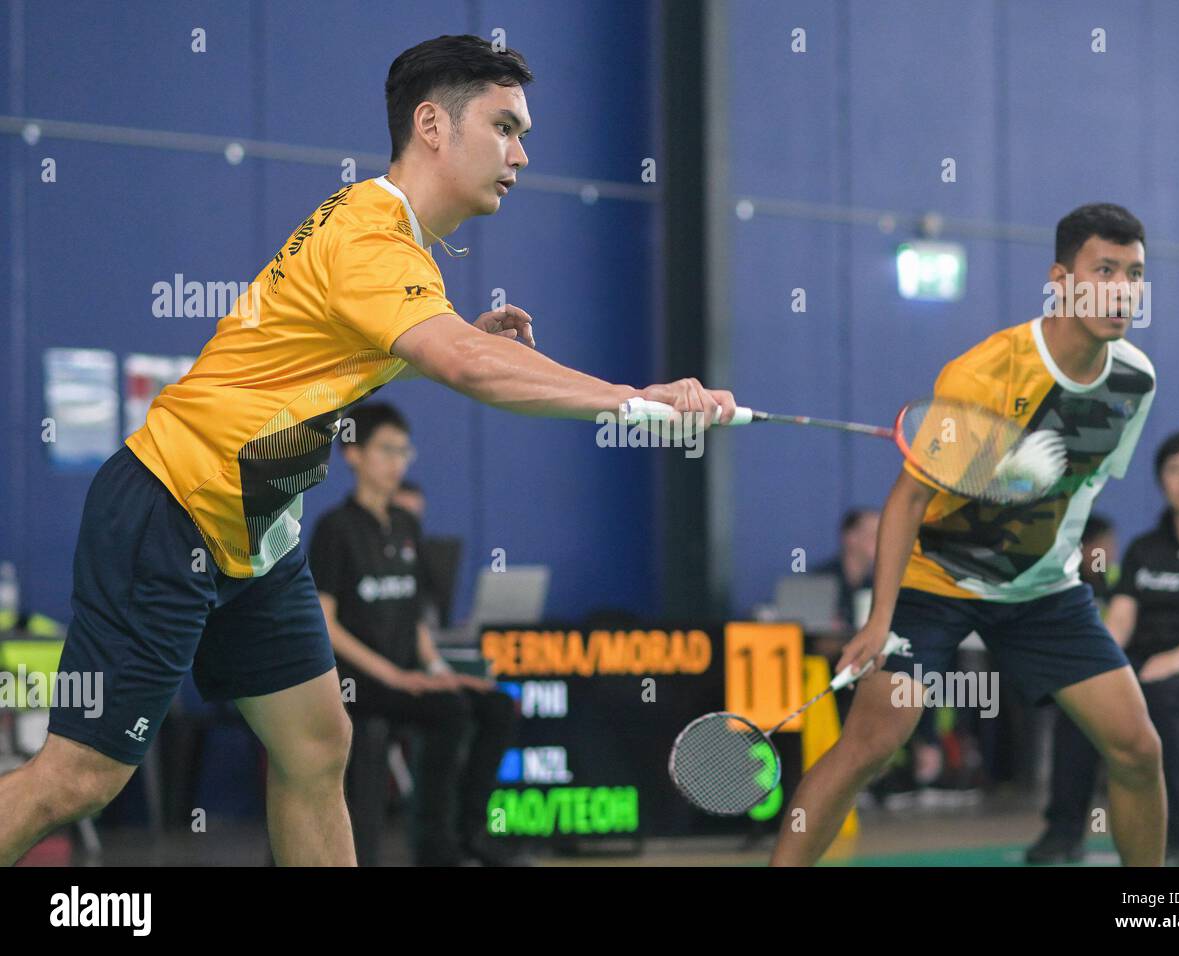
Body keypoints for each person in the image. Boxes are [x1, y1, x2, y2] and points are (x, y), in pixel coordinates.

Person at [0, 34, 735, 867]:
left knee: (318, 747)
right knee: (79, 779)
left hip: (257, 532)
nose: (521, 155)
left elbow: (336, 353)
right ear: (432, 125)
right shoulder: (373, 239)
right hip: (174, 505)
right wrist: (636, 401)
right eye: (503, 127)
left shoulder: (391, 243)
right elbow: (468, 366)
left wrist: (446, 340)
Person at [771, 202, 1164, 866]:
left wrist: (1021, 482)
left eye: (1134, 274)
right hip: (935, 579)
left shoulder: (1135, 382)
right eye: (1104, 271)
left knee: (1137, 749)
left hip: (1042, 590)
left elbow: (1082, 488)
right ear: (1061, 280)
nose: (1122, 290)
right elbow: (907, 500)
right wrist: (879, 620)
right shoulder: (985, 373)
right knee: (872, 743)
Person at [1027, 432, 1179, 865]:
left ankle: (1170, 840)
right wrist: (1095, 666)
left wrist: (1175, 661)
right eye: (1174, 469)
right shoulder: (1145, 548)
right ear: (1161, 480)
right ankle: (1062, 832)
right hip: (1145, 663)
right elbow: (1120, 620)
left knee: (1157, 697)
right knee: (1083, 696)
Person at [311, 403, 518, 866]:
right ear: (353, 454)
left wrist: (439, 670)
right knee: (449, 711)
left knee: (496, 705)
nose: (397, 462)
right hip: (357, 682)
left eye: (404, 452)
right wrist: (395, 677)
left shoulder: (406, 525)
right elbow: (325, 623)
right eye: (386, 450)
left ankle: (471, 835)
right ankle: (434, 846)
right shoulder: (334, 530)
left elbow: (415, 617)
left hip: (407, 674)